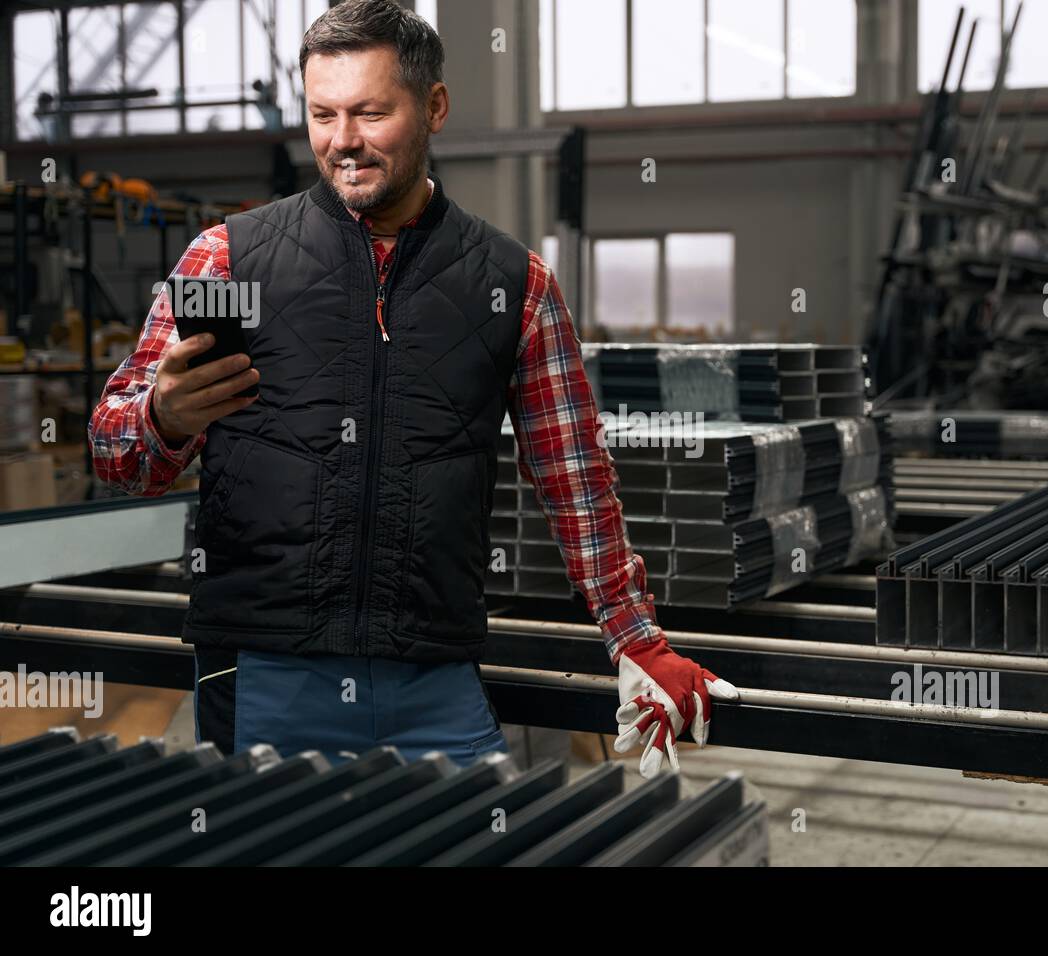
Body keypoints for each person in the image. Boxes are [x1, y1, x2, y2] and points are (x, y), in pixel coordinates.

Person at [88, 0, 735, 777]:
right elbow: (115, 454)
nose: (342, 141)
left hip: (434, 673)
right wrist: (160, 417)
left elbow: (574, 475)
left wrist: (636, 637)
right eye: (322, 114)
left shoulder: (513, 283)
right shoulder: (227, 260)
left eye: (369, 112)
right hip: (265, 667)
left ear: (434, 106)